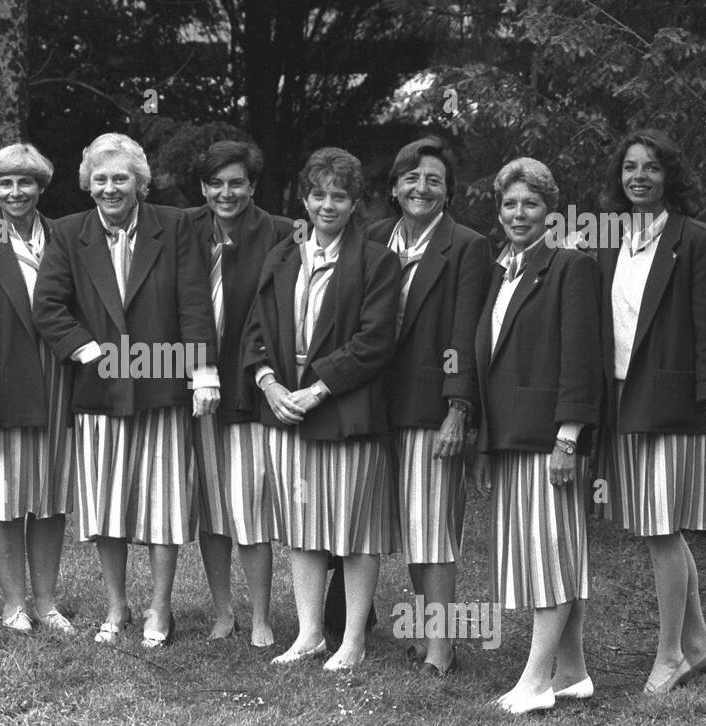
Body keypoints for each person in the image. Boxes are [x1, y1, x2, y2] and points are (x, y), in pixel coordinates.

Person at [33, 132, 219, 648]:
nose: (110, 188)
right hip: (99, 388)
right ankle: (117, 605)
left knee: (163, 501)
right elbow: (49, 306)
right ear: (87, 184)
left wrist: (203, 372)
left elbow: (193, 303)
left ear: (140, 182)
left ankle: (161, 608)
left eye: (121, 178)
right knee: (106, 504)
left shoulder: (176, 225)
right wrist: (88, 351)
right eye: (100, 179)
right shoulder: (70, 232)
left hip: (163, 384)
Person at [244, 147, 401, 671]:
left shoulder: (378, 260)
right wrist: (268, 384)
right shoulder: (282, 258)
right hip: (286, 411)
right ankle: (309, 633)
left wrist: (317, 389)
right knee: (303, 524)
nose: (327, 205)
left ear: (356, 202)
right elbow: (255, 332)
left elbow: (377, 341)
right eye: (318, 194)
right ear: (305, 200)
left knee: (354, 529)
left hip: (346, 413)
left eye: (339, 195)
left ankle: (352, 640)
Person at [596, 129, 706, 693]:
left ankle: (670, 654)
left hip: (676, 404)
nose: (639, 176)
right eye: (630, 167)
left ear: (668, 176)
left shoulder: (697, 239)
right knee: (658, 528)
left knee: (660, 528)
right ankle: (699, 646)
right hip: (622, 399)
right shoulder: (607, 239)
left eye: (651, 167)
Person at [473, 158, 602, 713]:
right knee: (544, 555)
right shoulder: (505, 269)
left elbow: (581, 359)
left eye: (529, 203)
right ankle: (572, 672)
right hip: (510, 437)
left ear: (550, 209)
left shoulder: (570, 267)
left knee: (548, 557)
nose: (518, 213)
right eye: (509, 204)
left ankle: (535, 680)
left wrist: (568, 438)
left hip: (549, 440)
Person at [372, 137, 491, 675]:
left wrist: (458, 409)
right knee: (406, 526)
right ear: (395, 187)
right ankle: (423, 632)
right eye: (412, 178)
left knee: (433, 527)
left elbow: (466, 332)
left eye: (434, 180)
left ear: (448, 192)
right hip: (374, 404)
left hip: (432, 408)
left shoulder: (466, 245)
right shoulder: (374, 238)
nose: (422, 188)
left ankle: (442, 647)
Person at [0, 143, 75, 634]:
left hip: (59, 385)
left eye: (26, 182)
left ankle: (47, 602)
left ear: (41, 187)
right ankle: (13, 604)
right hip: (3, 389)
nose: (16, 192)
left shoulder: (66, 237)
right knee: (5, 499)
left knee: (50, 496)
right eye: (5, 183)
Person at [184, 140, 294, 647]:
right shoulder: (185, 229)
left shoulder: (280, 233)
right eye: (215, 184)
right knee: (211, 504)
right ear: (203, 188)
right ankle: (224, 610)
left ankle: (262, 617)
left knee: (250, 502)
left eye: (236, 183)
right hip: (198, 381)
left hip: (250, 382)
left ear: (252, 186)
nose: (225, 193)